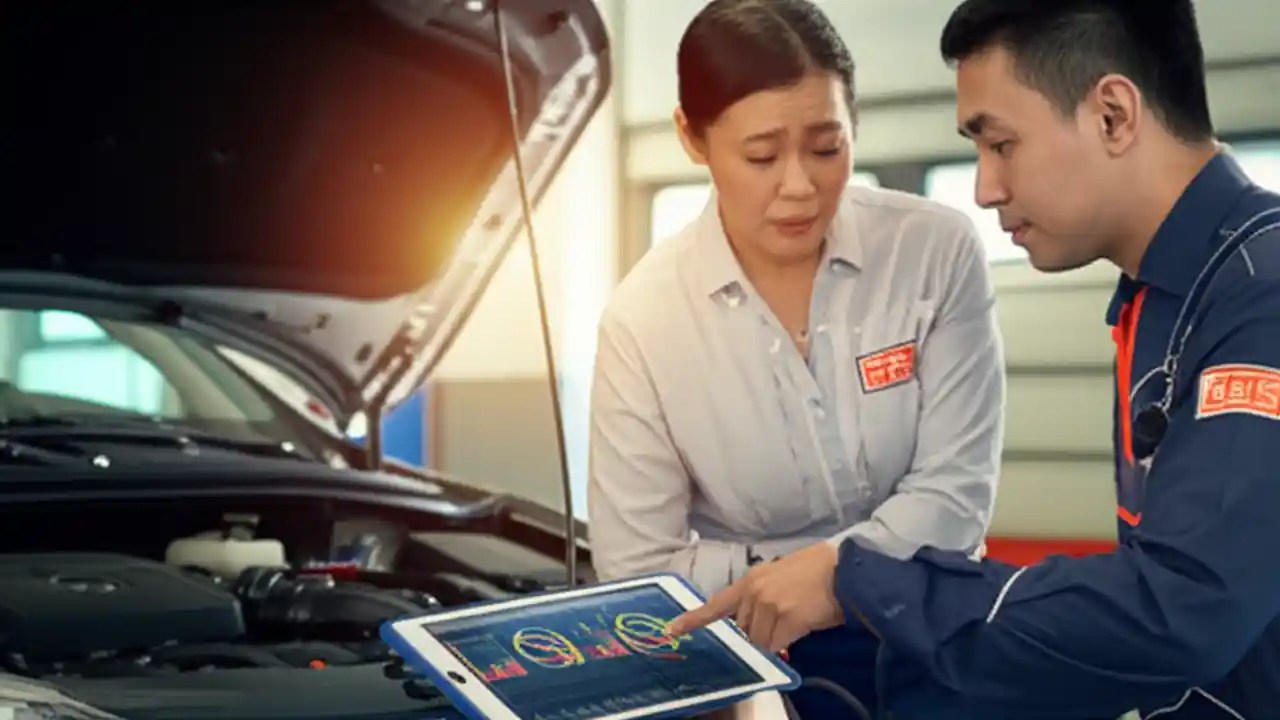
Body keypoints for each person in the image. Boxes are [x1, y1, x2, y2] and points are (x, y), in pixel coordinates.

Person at [669, 1, 1280, 718]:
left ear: (1113, 114)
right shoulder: (1168, 295)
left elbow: (1185, 607)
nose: (986, 187)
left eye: (1001, 144)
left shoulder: (1259, 296)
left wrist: (861, 584)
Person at [586, 0, 1005, 716]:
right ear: (693, 137)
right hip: (752, 653)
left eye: (825, 146)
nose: (799, 186)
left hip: (931, 630)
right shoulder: (644, 319)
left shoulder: (933, 252)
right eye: (760, 155)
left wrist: (814, 570)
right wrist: (787, 582)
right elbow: (636, 567)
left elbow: (955, 496)